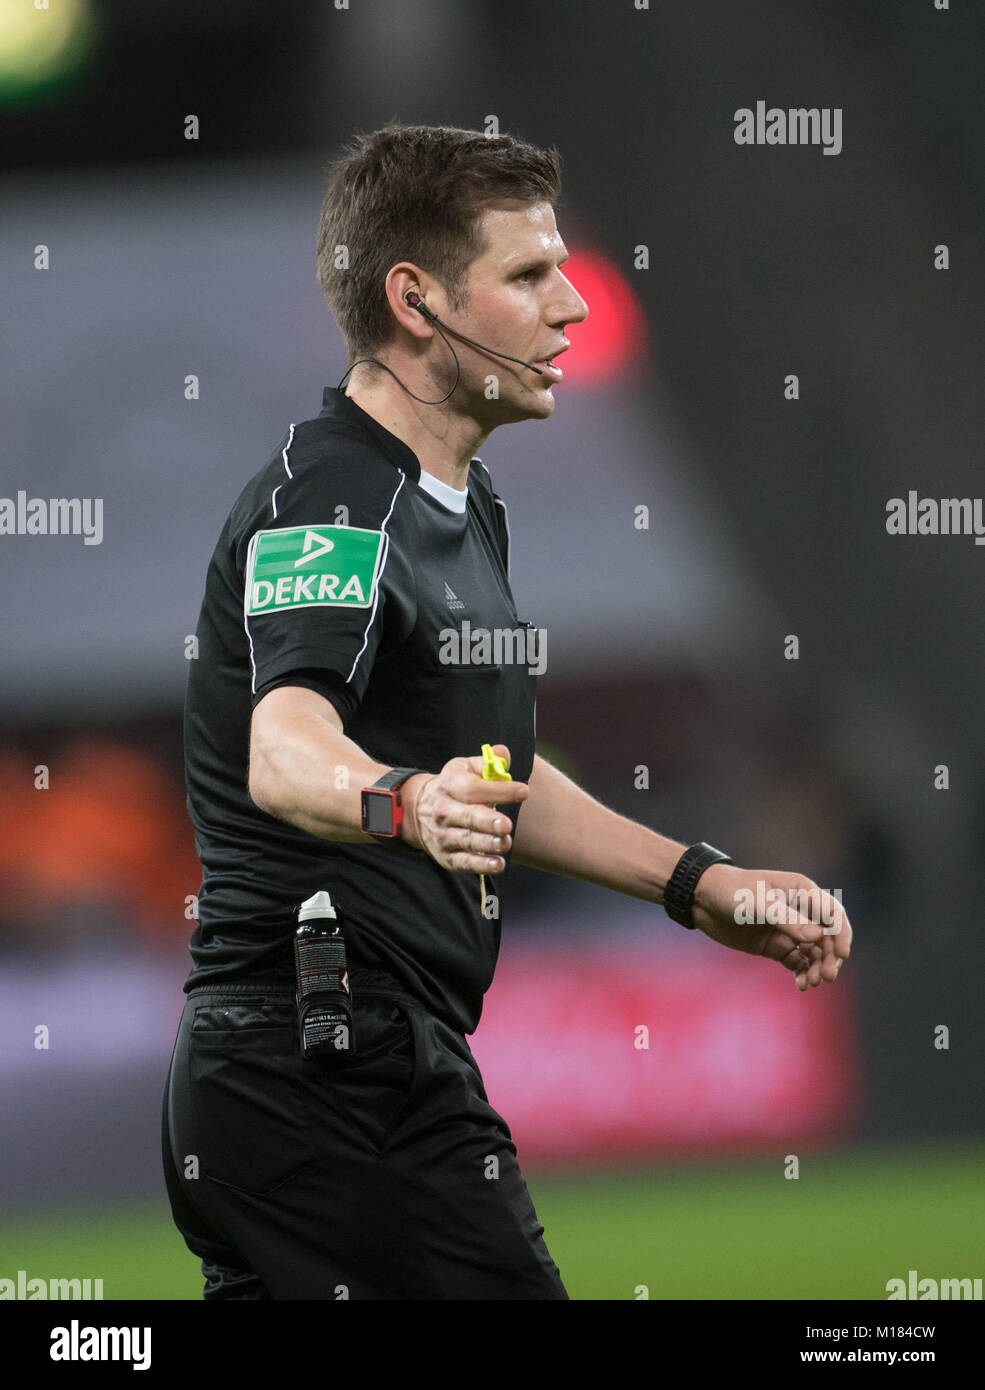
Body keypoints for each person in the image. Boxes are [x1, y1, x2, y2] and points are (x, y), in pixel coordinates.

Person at [161, 122, 852, 1301]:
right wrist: (403, 800)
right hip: (328, 1055)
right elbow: (285, 751)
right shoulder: (334, 502)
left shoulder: (460, 504)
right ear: (417, 300)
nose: (571, 304)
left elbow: (500, 778)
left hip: (312, 1071)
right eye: (529, 274)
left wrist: (705, 885)